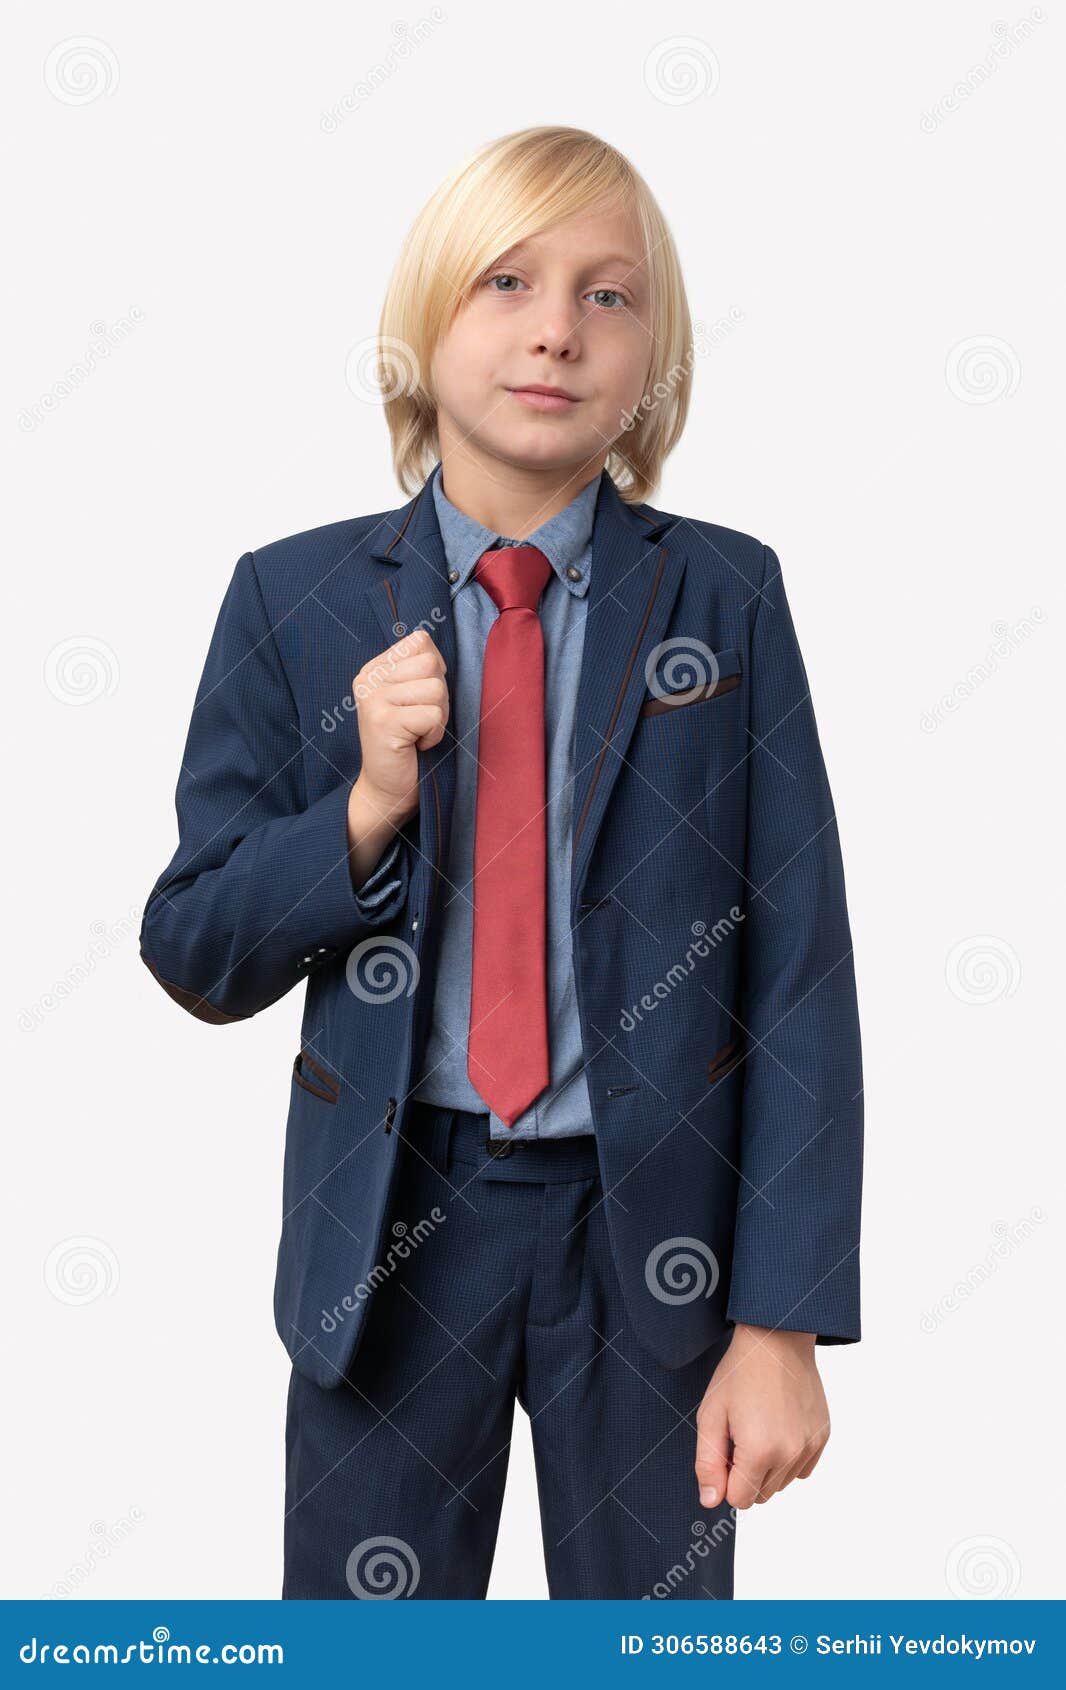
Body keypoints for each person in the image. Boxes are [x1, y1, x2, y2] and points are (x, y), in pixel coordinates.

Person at [140, 125, 864, 1601]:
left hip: (654, 1238)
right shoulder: (293, 599)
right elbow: (198, 945)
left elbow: (798, 964)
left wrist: (782, 1318)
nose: (555, 330)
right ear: (424, 324)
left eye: (609, 295)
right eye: (507, 282)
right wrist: (361, 808)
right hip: (393, 1228)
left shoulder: (724, 596)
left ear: (653, 354)